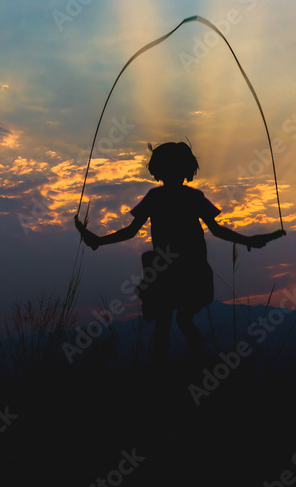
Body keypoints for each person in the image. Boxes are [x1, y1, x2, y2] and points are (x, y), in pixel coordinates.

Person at [74, 141, 284, 365]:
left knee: (167, 322)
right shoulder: (186, 197)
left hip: (178, 270)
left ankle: (172, 369)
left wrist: (99, 241)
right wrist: (248, 240)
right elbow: (216, 230)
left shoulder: (161, 197)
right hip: (184, 269)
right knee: (179, 321)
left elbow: (131, 232)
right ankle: (196, 367)